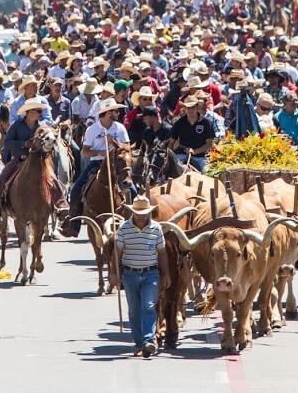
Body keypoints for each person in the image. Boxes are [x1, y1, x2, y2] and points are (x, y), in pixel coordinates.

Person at [107, 196, 170, 358]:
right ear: (133, 212)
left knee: (148, 306)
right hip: (130, 274)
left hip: (151, 274)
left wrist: (166, 273)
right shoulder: (123, 228)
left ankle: (148, 340)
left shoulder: (156, 228)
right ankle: (139, 342)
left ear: (149, 212)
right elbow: (118, 252)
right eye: (137, 213)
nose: (141, 216)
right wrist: (113, 272)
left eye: (144, 213)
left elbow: (162, 253)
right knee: (134, 311)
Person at [62, 98, 130, 237]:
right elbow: (85, 151)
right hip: (97, 163)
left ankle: (134, 222)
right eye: (115, 111)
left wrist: (116, 144)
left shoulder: (120, 128)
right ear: (107, 113)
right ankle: (72, 224)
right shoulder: (92, 130)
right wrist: (99, 152)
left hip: (117, 163)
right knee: (76, 190)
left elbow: (127, 147)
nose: (118, 113)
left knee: (132, 189)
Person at [0, 98, 52, 222]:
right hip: (19, 160)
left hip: (38, 162)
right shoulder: (16, 125)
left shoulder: (42, 128)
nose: (41, 114)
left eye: (40, 111)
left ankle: (60, 204)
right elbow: (8, 142)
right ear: (30, 112)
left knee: (53, 179)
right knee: (2, 177)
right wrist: (24, 144)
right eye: (38, 111)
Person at [168, 95, 215, 172]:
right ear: (185, 109)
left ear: (197, 108)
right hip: (180, 155)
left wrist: (194, 151)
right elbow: (171, 143)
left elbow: (209, 144)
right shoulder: (179, 123)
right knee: (167, 172)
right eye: (188, 107)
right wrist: (170, 157)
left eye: (193, 107)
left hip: (200, 157)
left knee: (208, 172)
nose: (190, 110)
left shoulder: (206, 122)